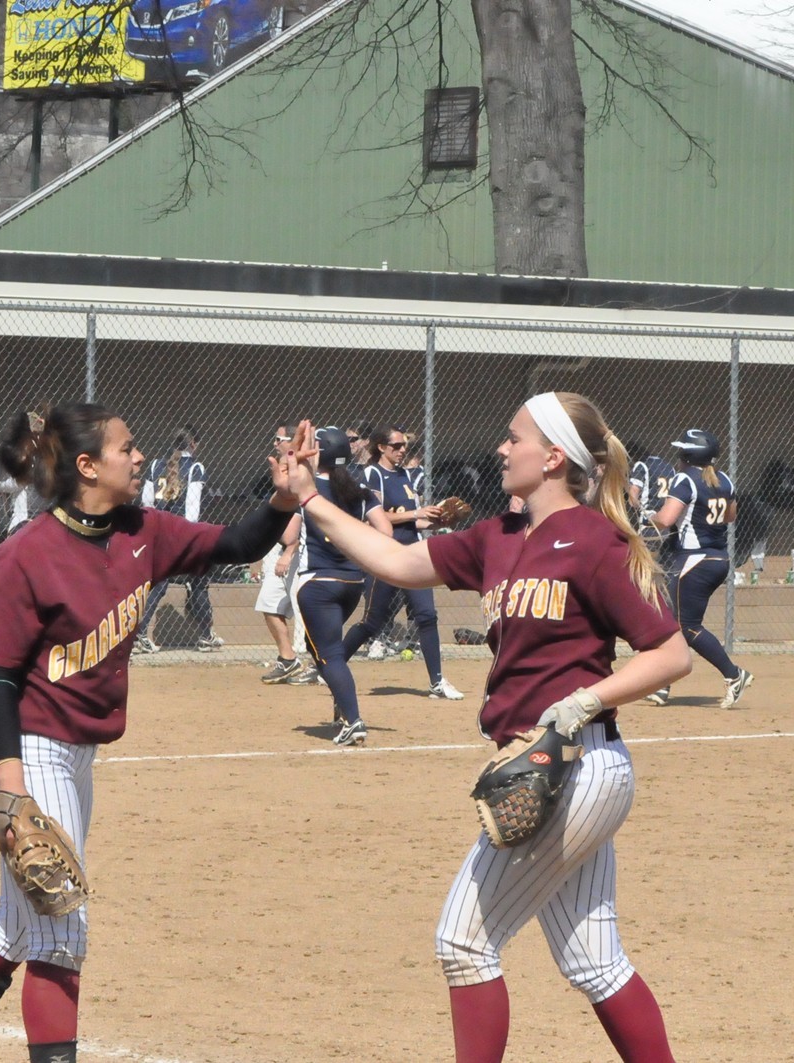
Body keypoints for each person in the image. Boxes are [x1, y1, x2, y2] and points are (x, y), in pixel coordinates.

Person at [0, 401, 300, 1063]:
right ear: (86, 464)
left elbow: (236, 545)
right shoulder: (26, 554)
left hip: (75, 751)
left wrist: (281, 497)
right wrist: (13, 795)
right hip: (21, 742)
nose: (139, 458)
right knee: (62, 925)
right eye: (127, 448)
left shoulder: (144, 530)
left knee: (21, 924)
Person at [280, 393, 690, 1062]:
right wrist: (309, 499)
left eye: (515, 437)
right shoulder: (497, 535)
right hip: (543, 769)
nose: (502, 448)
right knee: (595, 960)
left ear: (554, 456)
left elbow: (671, 654)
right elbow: (401, 563)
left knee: (463, 942)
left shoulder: (594, 540)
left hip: (575, 763)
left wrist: (584, 701)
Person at [344, 426, 464, 699]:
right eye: (395, 446)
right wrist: (415, 512)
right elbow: (374, 516)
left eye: (403, 446)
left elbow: (415, 520)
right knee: (372, 622)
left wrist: (435, 520)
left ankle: (437, 682)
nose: (401, 450)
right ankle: (331, 665)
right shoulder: (372, 474)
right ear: (381, 448)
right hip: (385, 554)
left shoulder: (407, 476)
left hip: (413, 554)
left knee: (426, 616)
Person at [293, 426, 393, 744]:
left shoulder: (305, 487)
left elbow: (286, 535)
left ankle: (353, 720)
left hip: (318, 583)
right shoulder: (358, 487)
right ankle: (343, 703)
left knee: (329, 654)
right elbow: (386, 531)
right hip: (353, 582)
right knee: (321, 650)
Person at [646, 428, 752, 709]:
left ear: (687, 455)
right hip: (718, 560)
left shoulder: (684, 478)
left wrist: (647, 519)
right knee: (671, 619)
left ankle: (733, 674)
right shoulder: (724, 479)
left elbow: (666, 519)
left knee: (686, 626)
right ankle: (661, 685)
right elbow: (730, 517)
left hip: (694, 560)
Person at [134, 426, 223, 653]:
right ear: (194, 444)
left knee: (170, 582)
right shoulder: (195, 467)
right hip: (182, 533)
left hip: (158, 531)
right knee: (195, 582)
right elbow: (192, 511)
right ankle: (141, 634)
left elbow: (146, 504)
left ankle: (205, 635)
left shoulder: (156, 465)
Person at [251, 421, 308, 683]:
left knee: (305, 608)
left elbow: (293, 522)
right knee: (269, 604)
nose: (275, 444)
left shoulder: (302, 470)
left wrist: (289, 551)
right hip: (279, 549)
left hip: (300, 551)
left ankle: (314, 664)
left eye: (279, 439)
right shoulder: (281, 473)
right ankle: (288, 660)